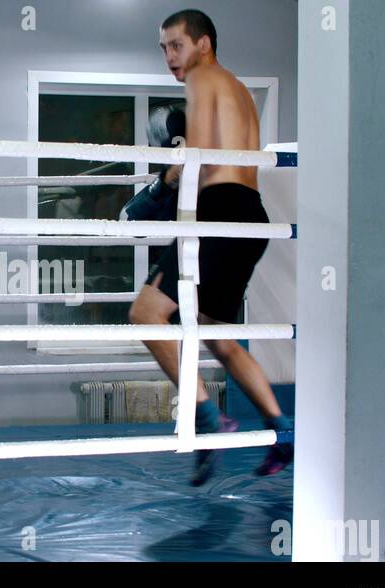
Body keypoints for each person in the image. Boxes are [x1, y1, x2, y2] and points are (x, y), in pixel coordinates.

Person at [127, 10, 294, 487]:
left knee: (145, 314)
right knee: (217, 335)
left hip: (219, 209)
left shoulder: (202, 77)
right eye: (163, 49)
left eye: (175, 45)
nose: (169, 57)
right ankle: (281, 430)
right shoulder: (239, 89)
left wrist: (159, 188)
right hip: (250, 213)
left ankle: (206, 417)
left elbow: (196, 156)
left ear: (203, 44)